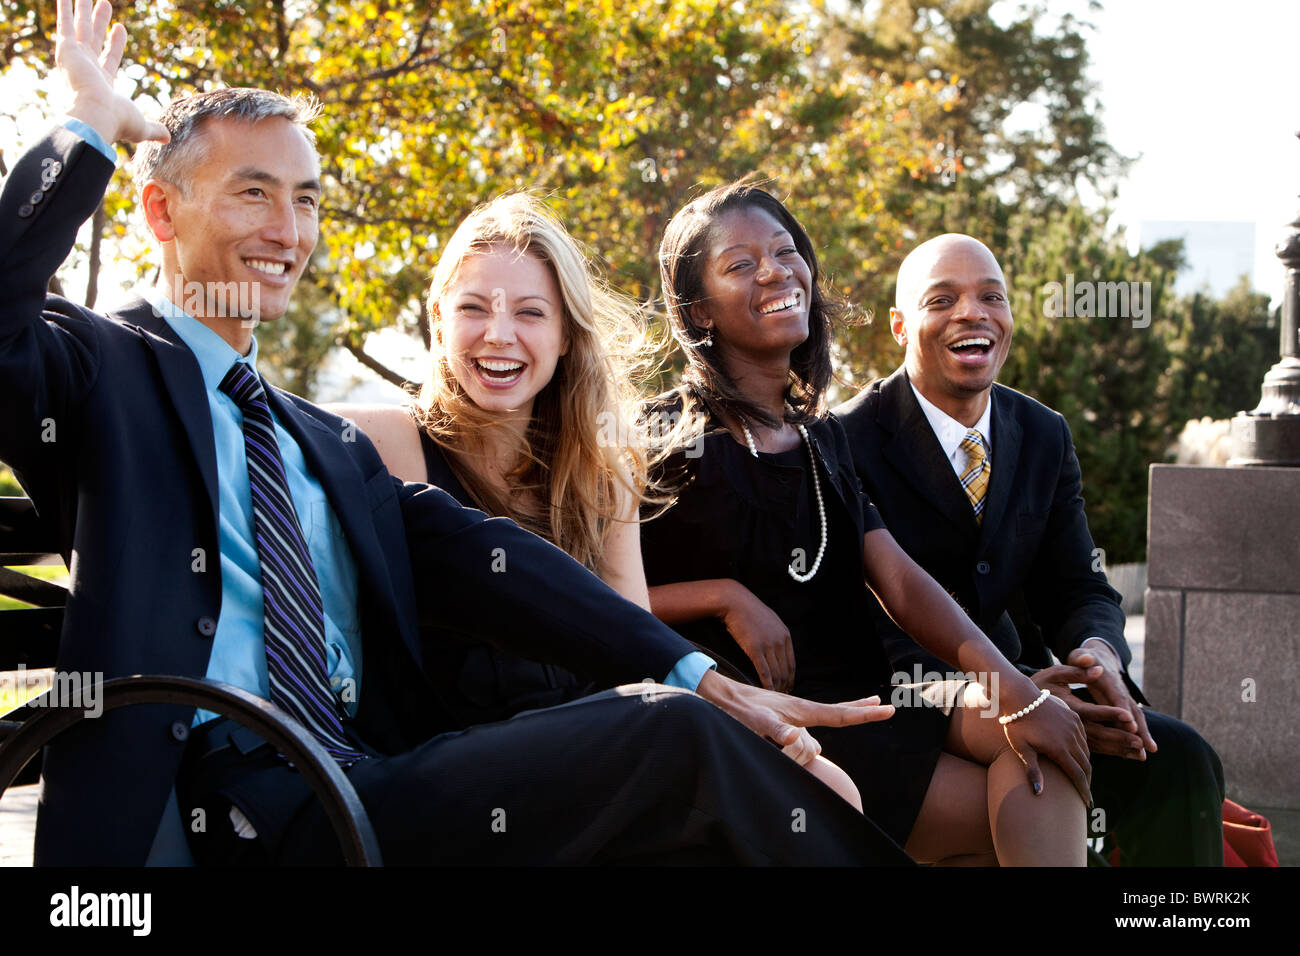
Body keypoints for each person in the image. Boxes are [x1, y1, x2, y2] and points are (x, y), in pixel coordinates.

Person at [0, 0, 905, 866]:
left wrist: (699, 674)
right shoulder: (99, 368)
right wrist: (85, 124)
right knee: (678, 745)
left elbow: (490, 562)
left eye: (307, 200)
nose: (287, 230)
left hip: (363, 783)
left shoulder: (318, 442)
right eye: (252, 194)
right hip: (229, 807)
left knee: (708, 769)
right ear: (160, 213)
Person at [330, 192, 863, 808]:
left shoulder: (602, 469)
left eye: (530, 313)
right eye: (472, 309)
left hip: (595, 752)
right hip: (450, 777)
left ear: (564, 337)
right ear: (438, 320)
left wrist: (743, 723)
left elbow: (636, 653)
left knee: (825, 787)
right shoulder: (385, 440)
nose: (498, 335)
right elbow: (246, 413)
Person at [639, 177, 1095, 865]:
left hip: (876, 696)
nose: (774, 271)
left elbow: (903, 586)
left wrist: (1017, 686)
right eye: (740, 264)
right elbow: (590, 599)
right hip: (768, 722)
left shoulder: (824, 439)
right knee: (1007, 803)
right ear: (698, 311)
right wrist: (721, 596)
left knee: (1037, 732)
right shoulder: (660, 439)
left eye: (786, 250)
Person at [832, 232, 1227, 865]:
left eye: (993, 296)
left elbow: (1079, 585)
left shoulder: (1043, 433)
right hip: (917, 708)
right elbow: (870, 624)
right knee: (1046, 769)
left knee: (1177, 759)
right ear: (901, 326)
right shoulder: (843, 442)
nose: (973, 313)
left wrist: (1098, 656)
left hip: (1041, 685)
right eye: (943, 299)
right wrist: (1008, 691)